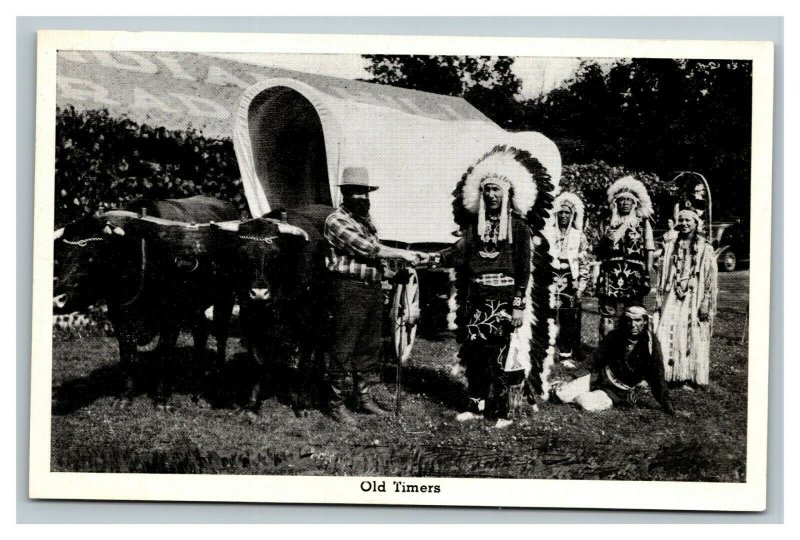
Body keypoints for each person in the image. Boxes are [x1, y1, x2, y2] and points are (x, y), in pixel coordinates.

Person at [426, 147, 556, 428]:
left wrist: (519, 305)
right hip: (476, 299)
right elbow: (456, 253)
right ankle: (476, 403)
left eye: (496, 190)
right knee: (475, 351)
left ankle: (501, 410)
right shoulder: (475, 227)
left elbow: (524, 270)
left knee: (503, 353)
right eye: (487, 191)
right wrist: (427, 259)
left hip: (505, 298)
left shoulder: (520, 228)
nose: (492, 195)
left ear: (507, 193)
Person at [323, 166, 422, 424]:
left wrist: (393, 273)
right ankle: (336, 404)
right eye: (356, 193)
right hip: (348, 290)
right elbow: (367, 249)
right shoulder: (336, 221)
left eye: (365, 193)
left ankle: (364, 398)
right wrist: (402, 253)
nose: (362, 198)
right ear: (344, 194)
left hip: (371, 290)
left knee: (368, 347)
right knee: (344, 347)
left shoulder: (365, 222)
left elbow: (377, 261)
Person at [552, 306, 675, 415]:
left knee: (586, 403)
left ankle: (588, 397)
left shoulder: (651, 344)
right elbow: (594, 359)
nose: (632, 325)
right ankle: (567, 391)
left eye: (637, 320)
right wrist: (571, 378)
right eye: (628, 320)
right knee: (559, 393)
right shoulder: (615, 335)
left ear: (645, 321)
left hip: (617, 392)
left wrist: (667, 404)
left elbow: (658, 375)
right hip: (599, 378)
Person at [654, 209, 718, 387]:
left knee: (691, 333)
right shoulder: (671, 245)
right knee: (667, 329)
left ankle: (688, 375)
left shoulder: (705, 247)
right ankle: (667, 373)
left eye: (688, 220)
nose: (684, 223)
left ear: (696, 223)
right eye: (681, 220)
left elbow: (710, 280)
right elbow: (662, 270)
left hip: (694, 296)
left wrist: (705, 301)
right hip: (673, 293)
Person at [595, 176, 656, 337]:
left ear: (635, 203)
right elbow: (598, 252)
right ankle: (606, 352)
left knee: (634, 312)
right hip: (610, 273)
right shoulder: (607, 222)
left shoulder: (642, 222)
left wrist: (647, 271)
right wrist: (606, 239)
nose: (625, 203)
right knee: (607, 313)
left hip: (635, 274)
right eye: (621, 200)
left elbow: (649, 248)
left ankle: (632, 350)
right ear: (616, 203)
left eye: (629, 200)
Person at [545, 192, 590, 366]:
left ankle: (565, 353)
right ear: (556, 214)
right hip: (551, 277)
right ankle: (546, 351)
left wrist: (581, 287)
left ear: (572, 215)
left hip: (571, 279)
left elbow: (584, 263)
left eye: (567, 213)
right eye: (561, 212)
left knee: (568, 317)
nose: (564, 215)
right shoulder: (548, 234)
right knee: (548, 314)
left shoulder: (579, 236)